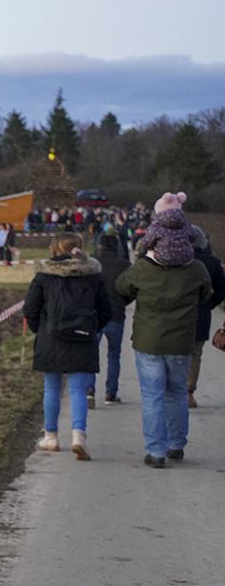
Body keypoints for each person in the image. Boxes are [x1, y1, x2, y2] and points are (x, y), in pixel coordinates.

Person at [114, 192, 213, 467]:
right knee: (177, 392)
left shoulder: (144, 269)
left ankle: (155, 451)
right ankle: (176, 444)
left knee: (152, 396)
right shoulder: (196, 269)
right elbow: (207, 295)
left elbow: (122, 287)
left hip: (149, 341)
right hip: (182, 341)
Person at [23, 233, 114, 460]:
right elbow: (106, 311)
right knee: (78, 390)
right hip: (82, 338)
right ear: (80, 249)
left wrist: (40, 330)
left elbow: (30, 310)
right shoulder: (93, 276)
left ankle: (51, 437)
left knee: (52, 387)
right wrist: (91, 329)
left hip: (50, 338)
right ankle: (78, 436)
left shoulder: (43, 276)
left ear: (54, 250)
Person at [185, 225, 225, 409]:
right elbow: (221, 291)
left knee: (174, 353)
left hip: (178, 313)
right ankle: (189, 393)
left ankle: (172, 391)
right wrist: (209, 303)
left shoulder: (178, 260)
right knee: (195, 354)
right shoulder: (213, 263)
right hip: (201, 313)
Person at [89, 231, 129, 404]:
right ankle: (110, 393)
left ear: (99, 247)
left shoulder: (92, 265)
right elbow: (131, 289)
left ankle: (89, 390)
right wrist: (122, 302)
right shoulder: (125, 265)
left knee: (91, 354)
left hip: (95, 315)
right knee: (114, 355)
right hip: (116, 314)